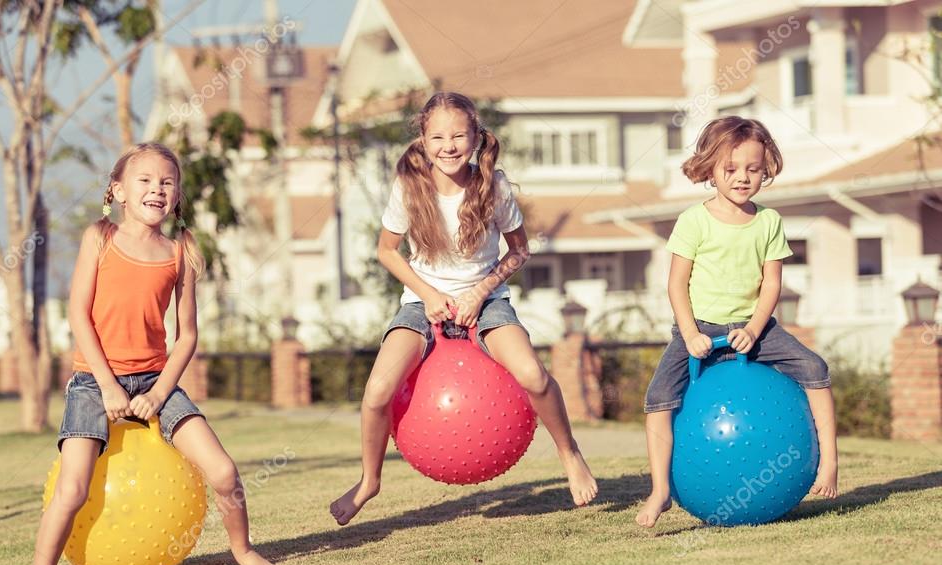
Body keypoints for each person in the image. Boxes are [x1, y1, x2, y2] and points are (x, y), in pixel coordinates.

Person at [26, 143, 279, 565]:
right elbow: (78, 317)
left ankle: (243, 551)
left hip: (155, 380)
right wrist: (106, 386)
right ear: (118, 190)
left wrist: (161, 392)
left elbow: (186, 337)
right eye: (144, 180)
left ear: (177, 194)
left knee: (223, 471)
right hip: (92, 380)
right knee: (73, 488)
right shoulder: (98, 238)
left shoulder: (180, 251)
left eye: (167, 182)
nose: (156, 189)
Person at [329, 92, 599, 526]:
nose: (448, 146)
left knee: (532, 374)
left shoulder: (494, 184)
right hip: (421, 303)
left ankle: (570, 454)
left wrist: (480, 291)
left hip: (486, 300)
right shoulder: (408, 187)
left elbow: (519, 251)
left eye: (458, 135)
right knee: (378, 391)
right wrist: (430, 295)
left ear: (476, 136)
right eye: (437, 136)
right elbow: (387, 251)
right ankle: (369, 481)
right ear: (422, 139)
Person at [636, 116, 839, 528]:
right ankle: (659, 489)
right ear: (711, 169)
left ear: (766, 169)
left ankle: (830, 464)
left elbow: (771, 284)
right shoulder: (694, 220)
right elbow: (676, 284)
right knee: (657, 399)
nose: (742, 178)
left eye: (753, 169)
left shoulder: (769, 222)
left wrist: (753, 329)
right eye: (731, 169)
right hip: (700, 330)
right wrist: (691, 334)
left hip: (754, 327)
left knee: (816, 369)